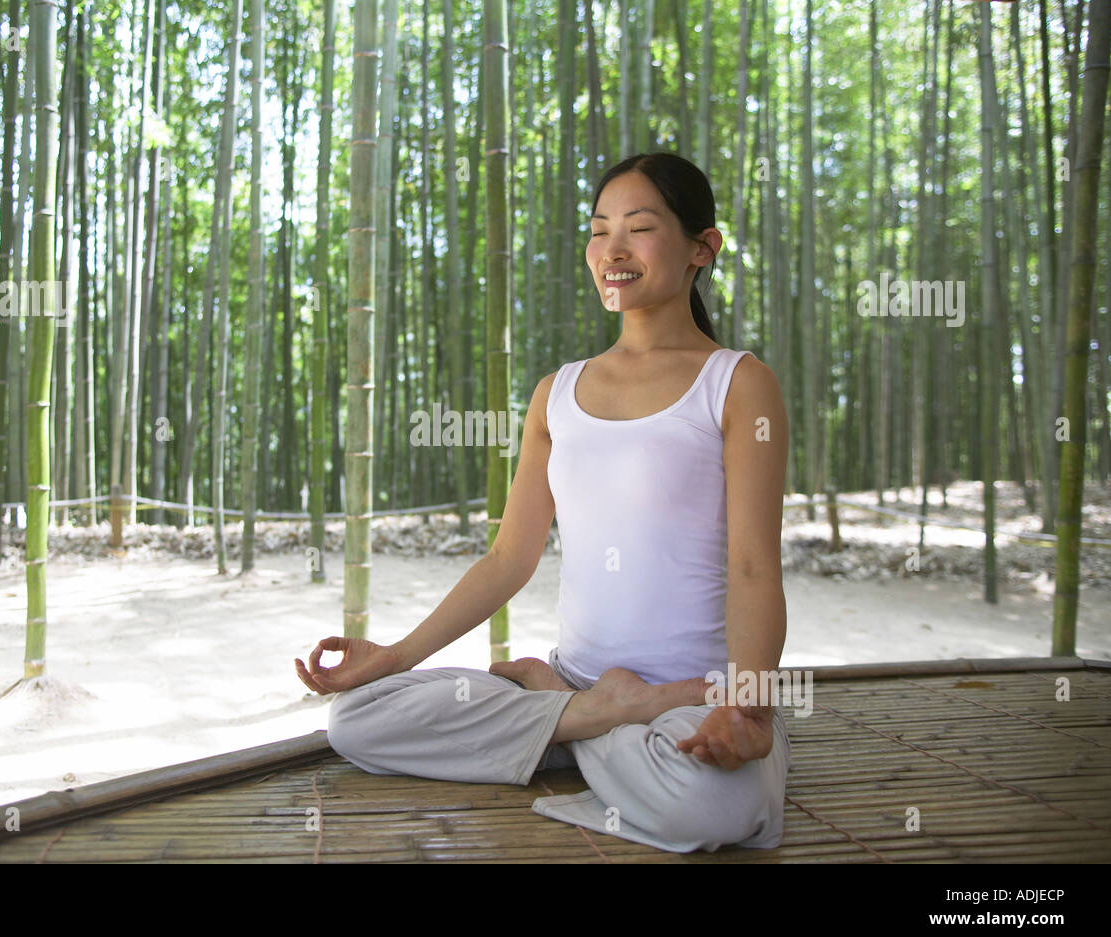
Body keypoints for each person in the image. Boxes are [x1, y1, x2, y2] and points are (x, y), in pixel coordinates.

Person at [294, 152, 792, 854]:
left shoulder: (737, 384)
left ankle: (577, 725)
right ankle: (595, 714)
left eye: (639, 228)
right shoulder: (555, 393)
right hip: (576, 682)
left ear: (701, 248)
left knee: (711, 805)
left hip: (695, 700)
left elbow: (752, 567)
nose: (612, 250)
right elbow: (508, 557)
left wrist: (747, 706)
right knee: (359, 720)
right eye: (598, 230)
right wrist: (393, 657)